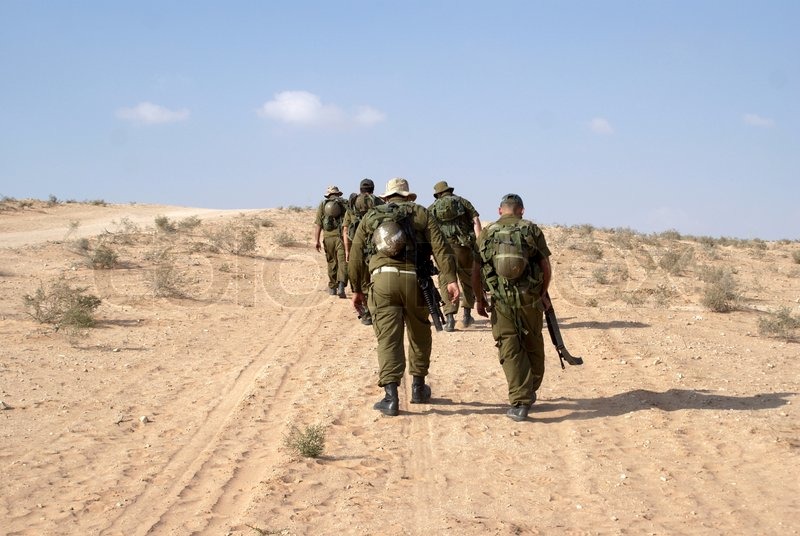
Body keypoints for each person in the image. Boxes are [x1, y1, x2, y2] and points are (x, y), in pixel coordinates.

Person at [349, 177, 460, 416]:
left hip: (382, 281)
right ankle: (418, 388)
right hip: (414, 281)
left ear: (386, 197)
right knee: (420, 333)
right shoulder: (420, 213)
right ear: (408, 196)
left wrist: (356, 289)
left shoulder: (372, 216)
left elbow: (356, 255)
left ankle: (391, 398)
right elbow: (441, 248)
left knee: (388, 339)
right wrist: (451, 280)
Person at [471, 193, 552, 422]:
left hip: (501, 301)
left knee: (509, 347)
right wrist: (542, 293)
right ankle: (530, 388)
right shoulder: (531, 230)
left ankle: (520, 401)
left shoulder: (487, 233)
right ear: (522, 210)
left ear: (500, 211)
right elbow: (545, 266)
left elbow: (475, 271)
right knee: (533, 341)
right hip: (529, 299)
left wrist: (479, 299)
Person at [428, 180, 482, 331]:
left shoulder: (432, 208)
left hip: (443, 250)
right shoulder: (463, 202)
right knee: (467, 280)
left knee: (445, 280)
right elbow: (476, 220)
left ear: (438, 194)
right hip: (463, 247)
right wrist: (479, 243)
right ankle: (467, 315)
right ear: (450, 191)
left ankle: (450, 318)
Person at [342, 179, 384, 325]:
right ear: (373, 189)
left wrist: (348, 250)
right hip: (377, 246)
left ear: (360, 189)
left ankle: (367, 313)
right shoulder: (379, 202)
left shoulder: (352, 204)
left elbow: (345, 229)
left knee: (362, 279)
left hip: (358, 246)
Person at [313, 185, 348, 298]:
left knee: (331, 261)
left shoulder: (323, 205)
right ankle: (341, 285)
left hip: (328, 238)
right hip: (341, 238)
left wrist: (317, 240)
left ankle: (333, 287)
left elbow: (318, 224)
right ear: (338, 194)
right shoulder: (344, 204)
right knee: (342, 262)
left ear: (328, 195)